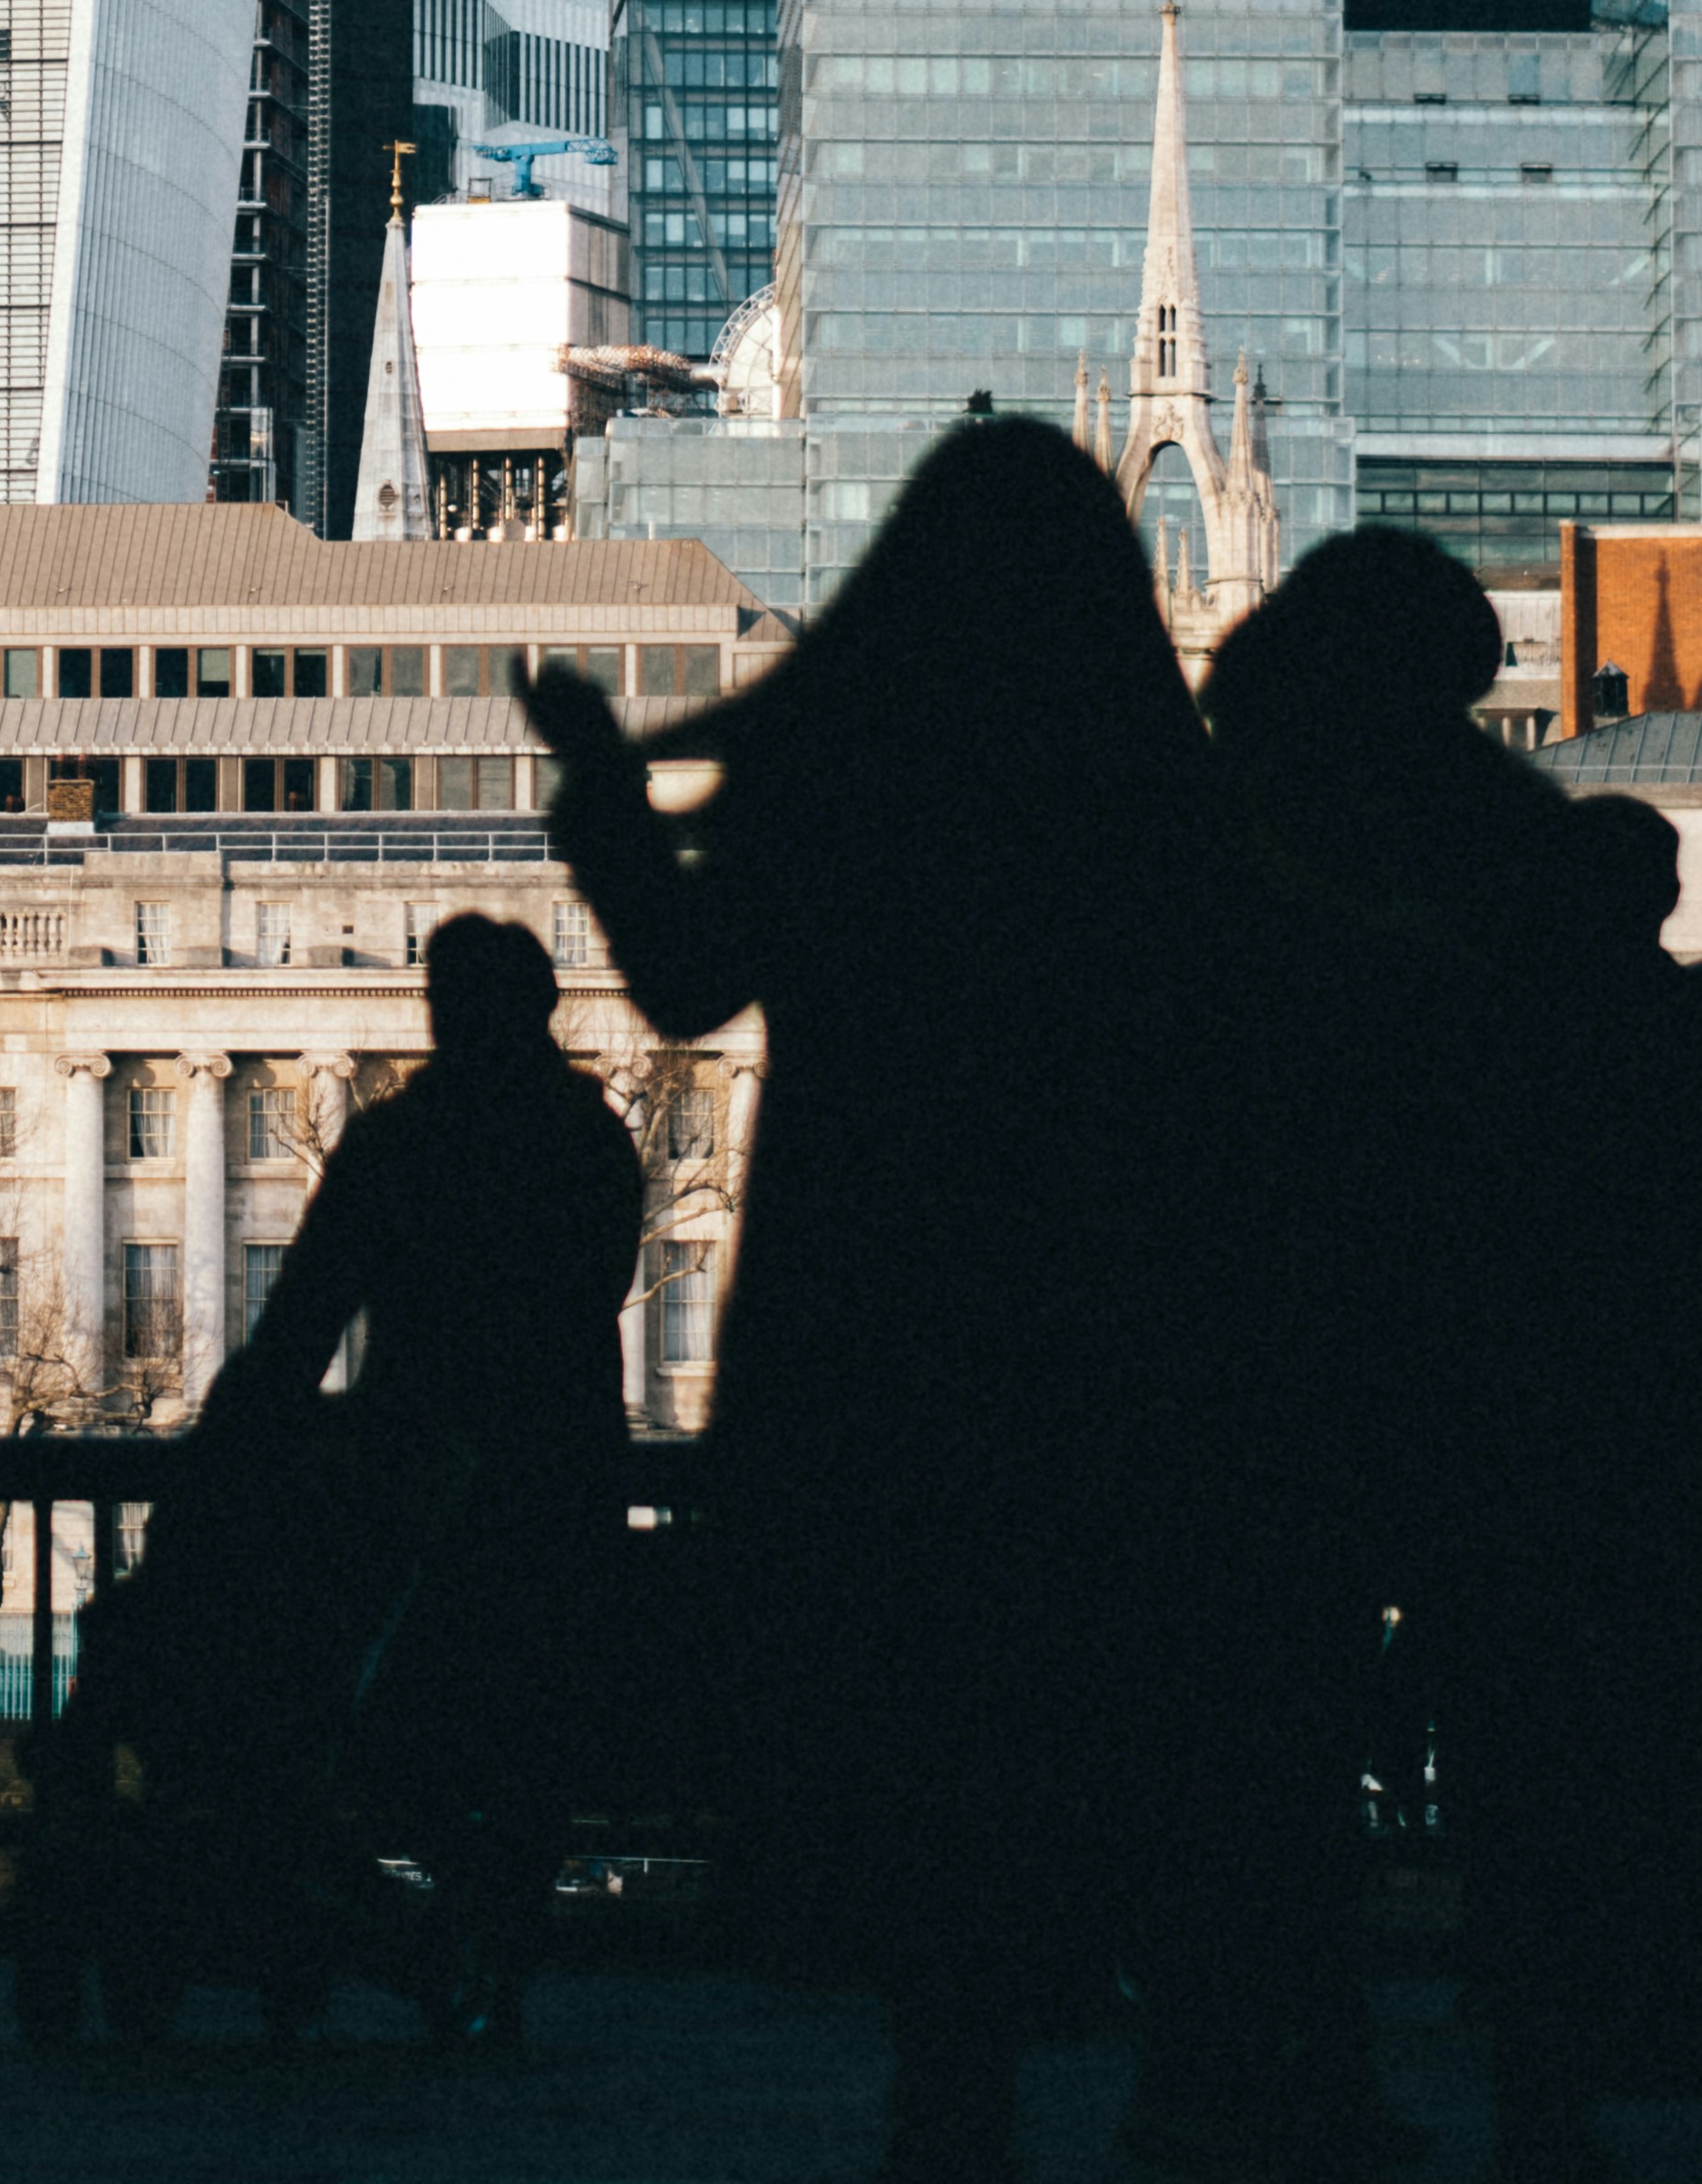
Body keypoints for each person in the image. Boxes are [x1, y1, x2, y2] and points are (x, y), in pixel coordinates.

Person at [520, 414, 1295, 2184]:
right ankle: (1135, 2069)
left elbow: (686, 984)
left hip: (864, 1318)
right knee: (1093, 1718)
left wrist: (602, 800)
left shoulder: (858, 782)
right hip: (1106, 1337)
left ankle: (944, 2103)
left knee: (905, 1728)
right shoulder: (1158, 810)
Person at [1206, 535, 1668, 2180]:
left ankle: (1256, 2068)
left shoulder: (1218, 834)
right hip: (1491, 1353)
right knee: (1521, 1733)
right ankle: (1540, 2074)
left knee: (1265, 1736)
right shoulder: (1502, 835)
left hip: (1269, 1353)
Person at [193, 913, 644, 2001]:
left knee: (365, 1723)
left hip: (408, 1477)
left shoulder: (398, 1143)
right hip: (558, 1476)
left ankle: (422, 1928)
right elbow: (590, 1299)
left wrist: (235, 1439)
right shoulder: (591, 1143)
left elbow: (302, 1321)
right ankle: (492, 1951)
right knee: (526, 1738)